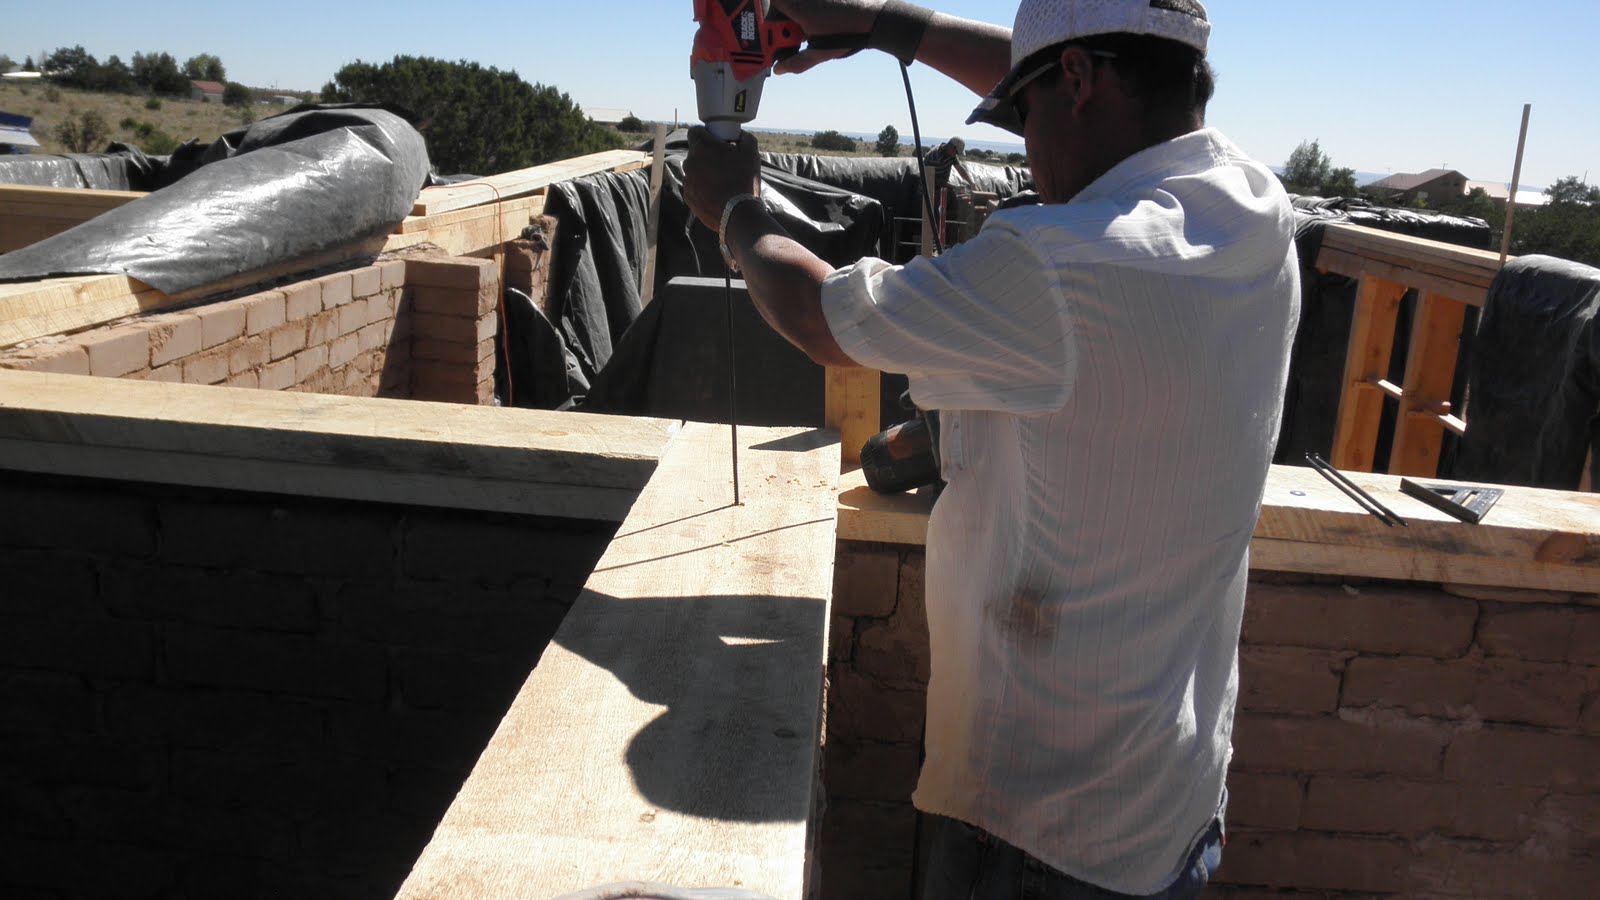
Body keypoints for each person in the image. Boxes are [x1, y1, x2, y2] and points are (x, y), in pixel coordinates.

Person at [682, 1, 1301, 896]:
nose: (1028, 147)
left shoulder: (1061, 264)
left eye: (1028, 111)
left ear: (1083, 80)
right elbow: (1060, 69)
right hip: (1172, 808)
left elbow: (825, 318)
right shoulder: (1252, 205)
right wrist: (888, 23)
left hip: (1041, 832)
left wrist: (735, 212)